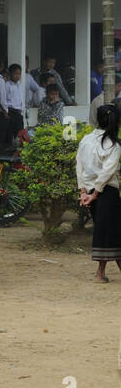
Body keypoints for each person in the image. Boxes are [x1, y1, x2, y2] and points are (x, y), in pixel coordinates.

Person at [76, 104, 121, 282]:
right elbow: (107, 173)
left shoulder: (86, 139)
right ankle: (99, 273)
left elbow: (79, 166)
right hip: (106, 191)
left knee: (105, 231)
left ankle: (100, 273)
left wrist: (84, 191)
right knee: (112, 232)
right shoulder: (113, 145)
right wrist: (95, 194)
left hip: (89, 190)